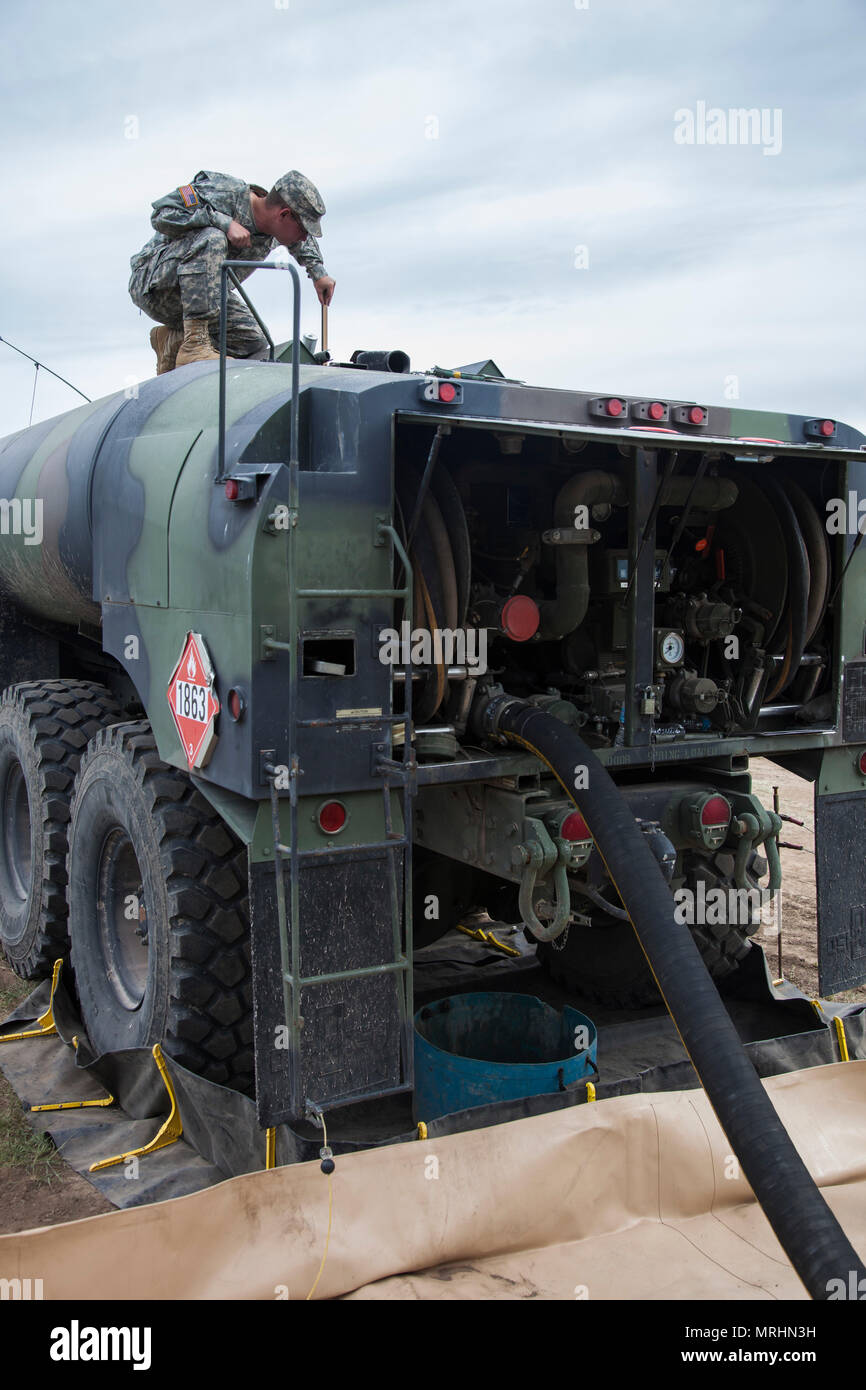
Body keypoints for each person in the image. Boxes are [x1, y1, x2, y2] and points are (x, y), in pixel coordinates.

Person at [128, 170, 336, 373]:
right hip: (156, 285)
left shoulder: (274, 228)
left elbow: (302, 244)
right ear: (284, 214)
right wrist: (224, 223)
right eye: (303, 230)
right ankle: (194, 345)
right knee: (213, 238)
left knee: (252, 342)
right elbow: (161, 214)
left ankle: (175, 340)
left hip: (201, 300)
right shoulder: (224, 191)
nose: (303, 237)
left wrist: (318, 272)